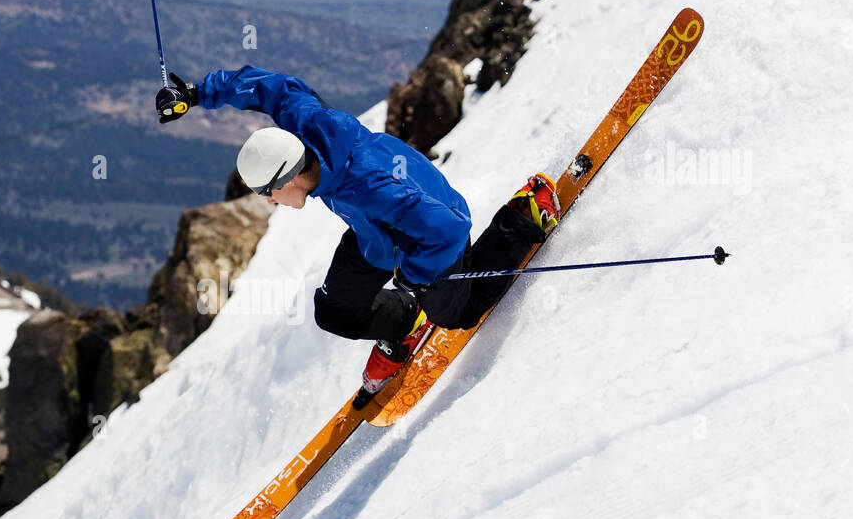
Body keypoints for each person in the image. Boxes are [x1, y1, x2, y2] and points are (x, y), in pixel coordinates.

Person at [156, 65, 559, 398]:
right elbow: (272, 89)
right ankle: (405, 329)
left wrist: (414, 279)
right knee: (334, 313)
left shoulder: (370, 186)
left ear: (291, 178)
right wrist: (195, 94)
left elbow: (449, 230)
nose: (268, 200)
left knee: (459, 315)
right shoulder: (305, 129)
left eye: (268, 191)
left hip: (425, 231)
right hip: (374, 233)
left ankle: (521, 217)